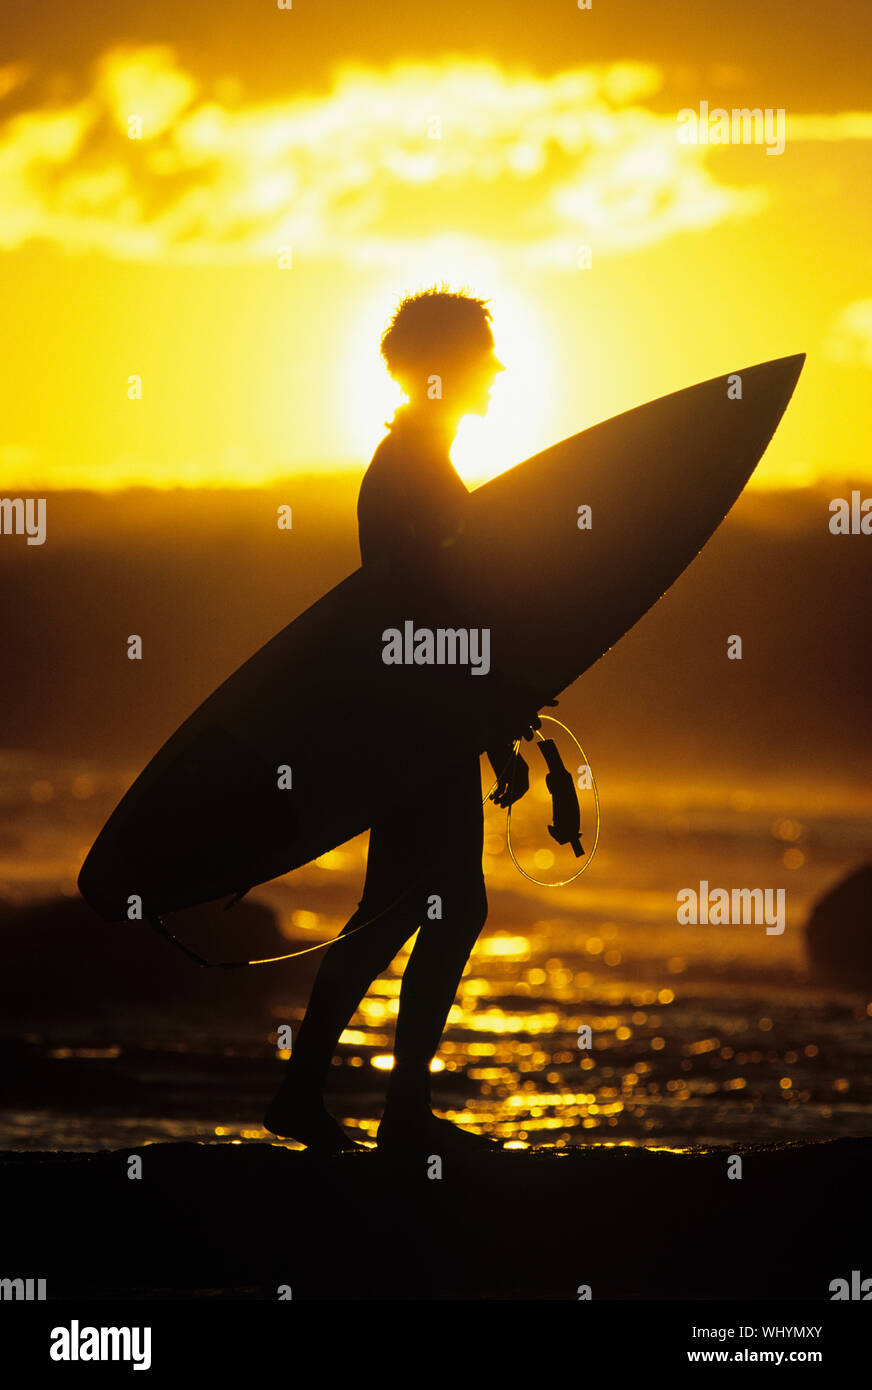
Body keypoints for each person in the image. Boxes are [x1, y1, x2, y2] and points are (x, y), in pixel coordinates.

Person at [264, 288, 537, 1153]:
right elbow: (423, 614)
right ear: (443, 368)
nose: (496, 368)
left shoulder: (418, 461)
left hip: (416, 717)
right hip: (417, 720)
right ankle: (393, 1110)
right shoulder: (414, 470)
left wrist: (490, 722)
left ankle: (324, 1097)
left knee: (402, 909)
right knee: (441, 909)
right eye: (482, 354)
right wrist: (485, 724)